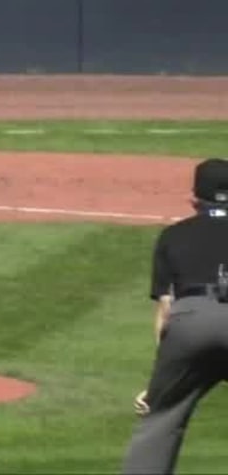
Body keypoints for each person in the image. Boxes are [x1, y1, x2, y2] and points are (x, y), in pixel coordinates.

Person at [122, 159, 228, 475]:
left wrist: (158, 385)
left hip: (190, 322)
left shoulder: (173, 235)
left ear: (194, 199)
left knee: (160, 418)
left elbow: (165, 309)